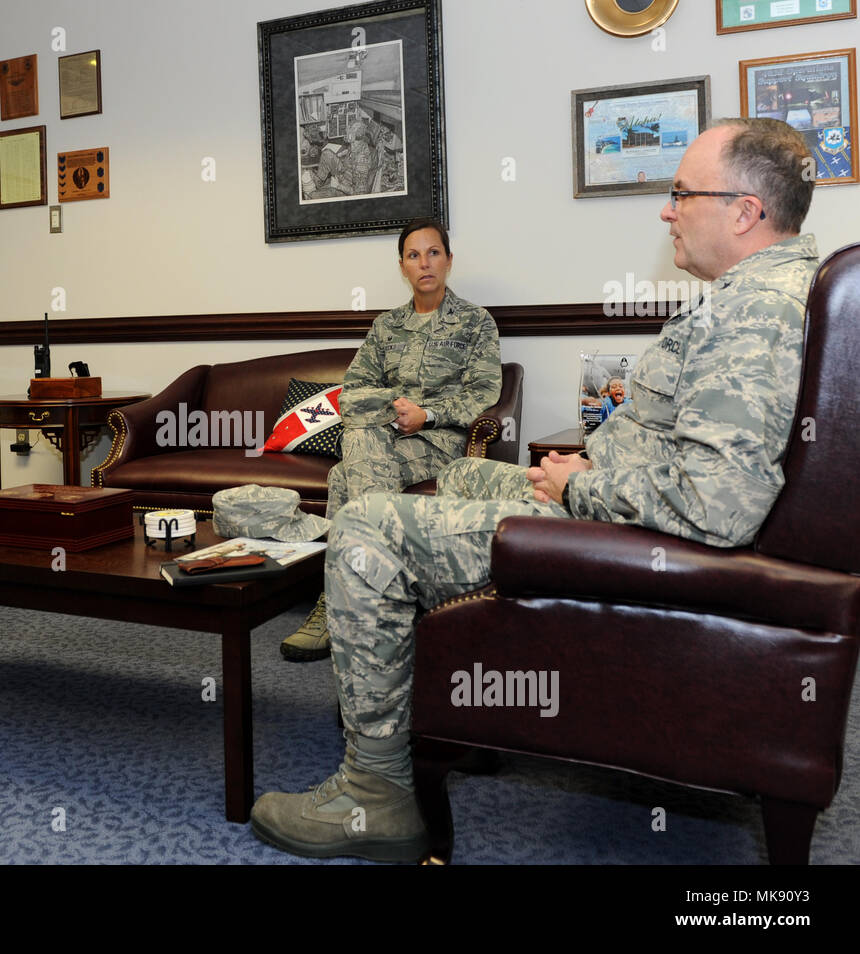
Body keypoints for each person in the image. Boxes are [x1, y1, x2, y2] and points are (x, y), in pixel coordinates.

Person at [252, 117, 818, 861]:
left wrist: (581, 487)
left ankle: (377, 790)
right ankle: (462, 704)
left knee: (365, 528)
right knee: (454, 474)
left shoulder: (758, 311)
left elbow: (718, 504)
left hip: (622, 540)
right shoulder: (761, 292)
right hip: (615, 507)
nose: (666, 209)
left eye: (681, 193)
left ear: (745, 211)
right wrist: (571, 476)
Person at [279, 218, 501, 662]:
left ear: (449, 260)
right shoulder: (386, 327)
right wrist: (394, 408)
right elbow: (355, 387)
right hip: (385, 437)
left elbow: (484, 393)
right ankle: (376, 599)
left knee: (347, 473)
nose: (425, 263)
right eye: (414, 255)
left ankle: (341, 601)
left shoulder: (476, 322)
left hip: (440, 444)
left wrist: (428, 415)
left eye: (433, 253)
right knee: (357, 451)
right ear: (402, 266)